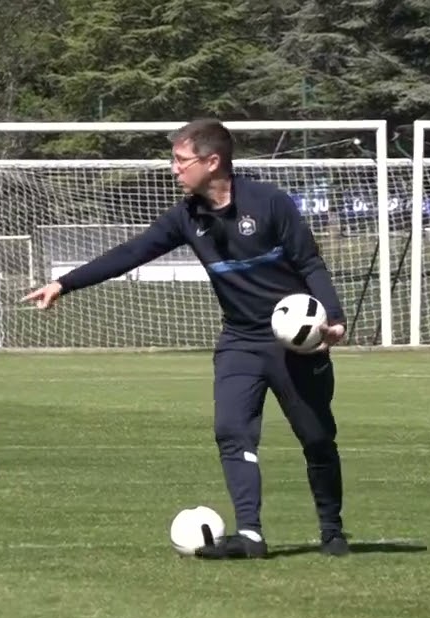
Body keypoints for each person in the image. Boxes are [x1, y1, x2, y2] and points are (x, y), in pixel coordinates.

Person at [23, 118, 351, 559]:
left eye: (181, 160)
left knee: (316, 438)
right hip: (240, 342)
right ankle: (250, 536)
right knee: (231, 431)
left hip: (295, 346)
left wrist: (333, 318)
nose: (174, 169)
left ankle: (332, 531)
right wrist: (65, 283)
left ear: (212, 162)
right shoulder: (186, 217)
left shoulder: (271, 203)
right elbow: (130, 253)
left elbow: (311, 264)